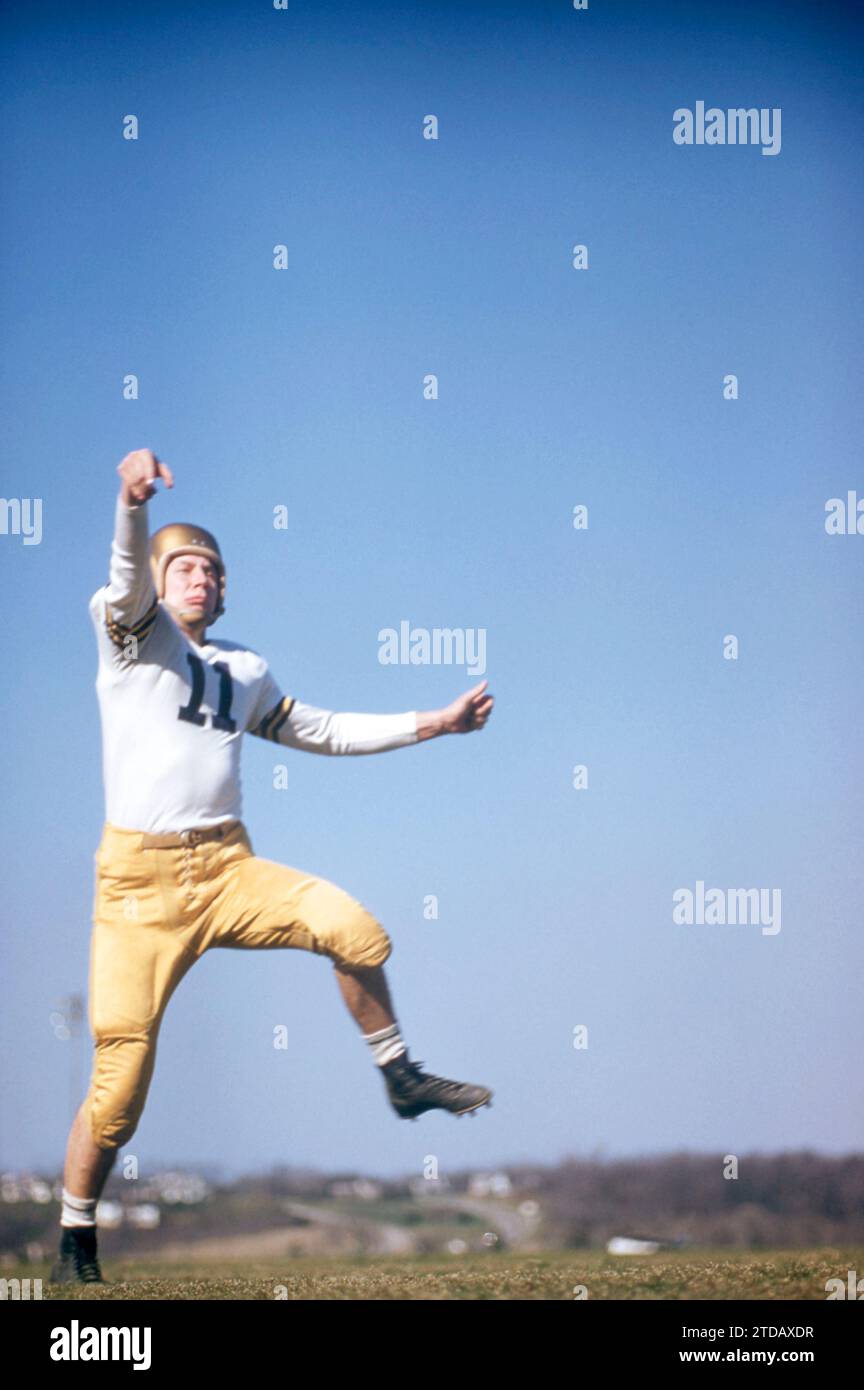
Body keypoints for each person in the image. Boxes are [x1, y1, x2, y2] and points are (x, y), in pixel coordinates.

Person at [49, 448, 494, 1285]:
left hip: (227, 868)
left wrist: (434, 723)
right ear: (155, 579)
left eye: (212, 569)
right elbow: (123, 567)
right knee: (118, 1088)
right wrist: (130, 500)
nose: (200, 578)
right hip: (137, 893)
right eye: (182, 566)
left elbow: (322, 730)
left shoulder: (244, 671)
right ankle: (76, 1236)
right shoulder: (130, 639)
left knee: (356, 929)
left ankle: (399, 1076)